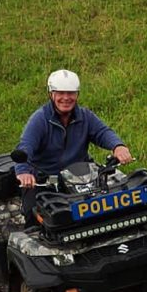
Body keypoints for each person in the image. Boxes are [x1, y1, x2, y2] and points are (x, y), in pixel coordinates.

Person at [15, 70, 133, 206]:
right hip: (48, 178)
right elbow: (25, 146)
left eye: (71, 93)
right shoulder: (39, 120)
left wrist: (118, 146)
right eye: (60, 93)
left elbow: (102, 132)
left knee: (116, 203)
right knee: (37, 213)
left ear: (77, 94)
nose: (66, 98)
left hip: (82, 176)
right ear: (51, 94)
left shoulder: (85, 116)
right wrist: (24, 172)